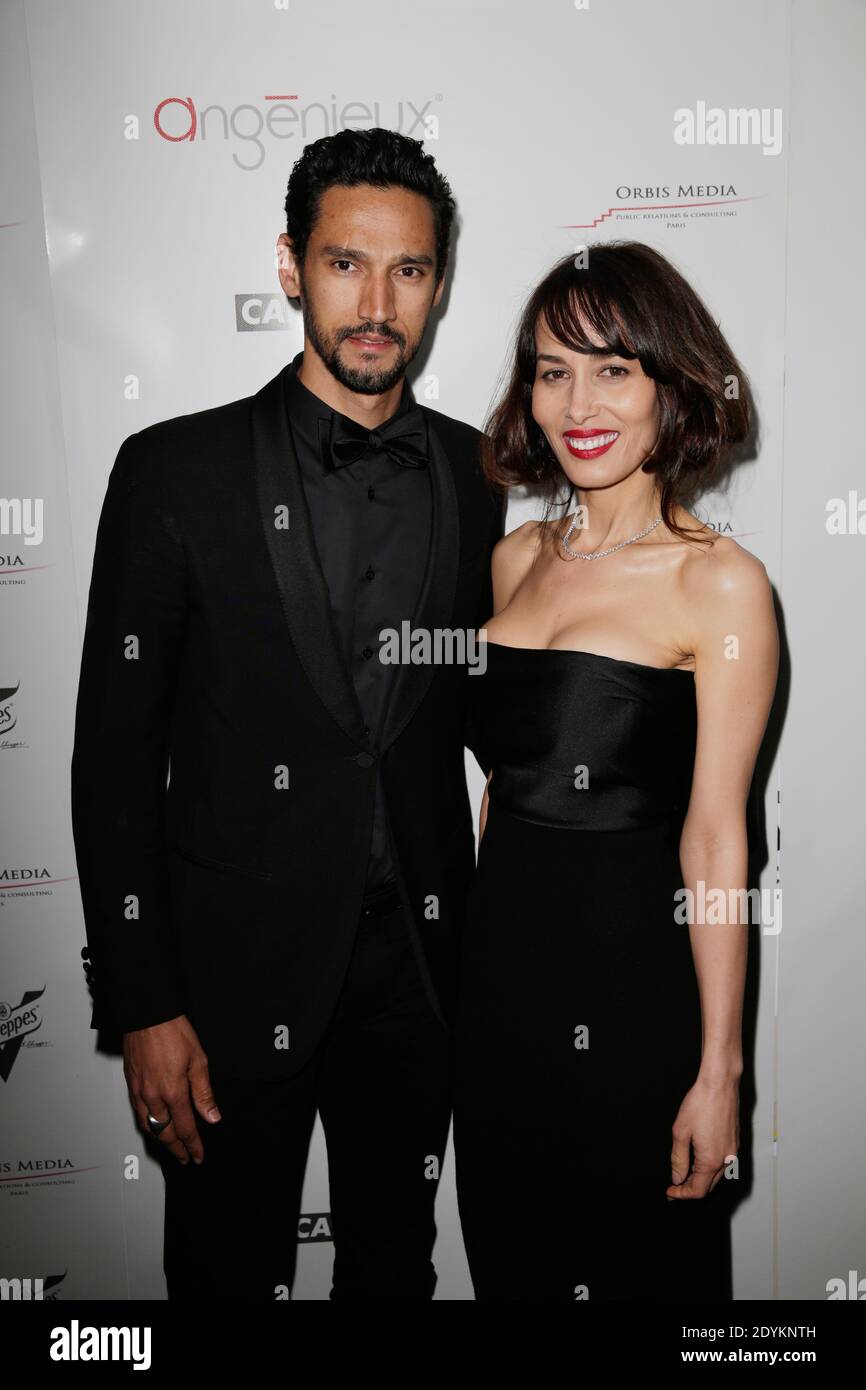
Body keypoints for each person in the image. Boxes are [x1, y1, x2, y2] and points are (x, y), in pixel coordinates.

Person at [71, 127, 503, 1301]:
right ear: (288, 265)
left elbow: (490, 713)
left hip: (416, 975)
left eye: (407, 270)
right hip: (223, 980)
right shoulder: (175, 472)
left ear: (439, 283)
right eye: (344, 263)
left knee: (391, 1268)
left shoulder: (483, 478)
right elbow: (114, 760)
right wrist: (144, 1000)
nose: (376, 302)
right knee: (222, 1277)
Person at [452, 241, 779, 1300]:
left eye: (611, 367)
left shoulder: (718, 582)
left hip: (634, 1003)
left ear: (668, 383)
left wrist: (718, 1069)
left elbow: (717, 837)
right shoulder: (513, 558)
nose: (576, 401)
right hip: (499, 1004)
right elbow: (502, 791)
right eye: (551, 369)